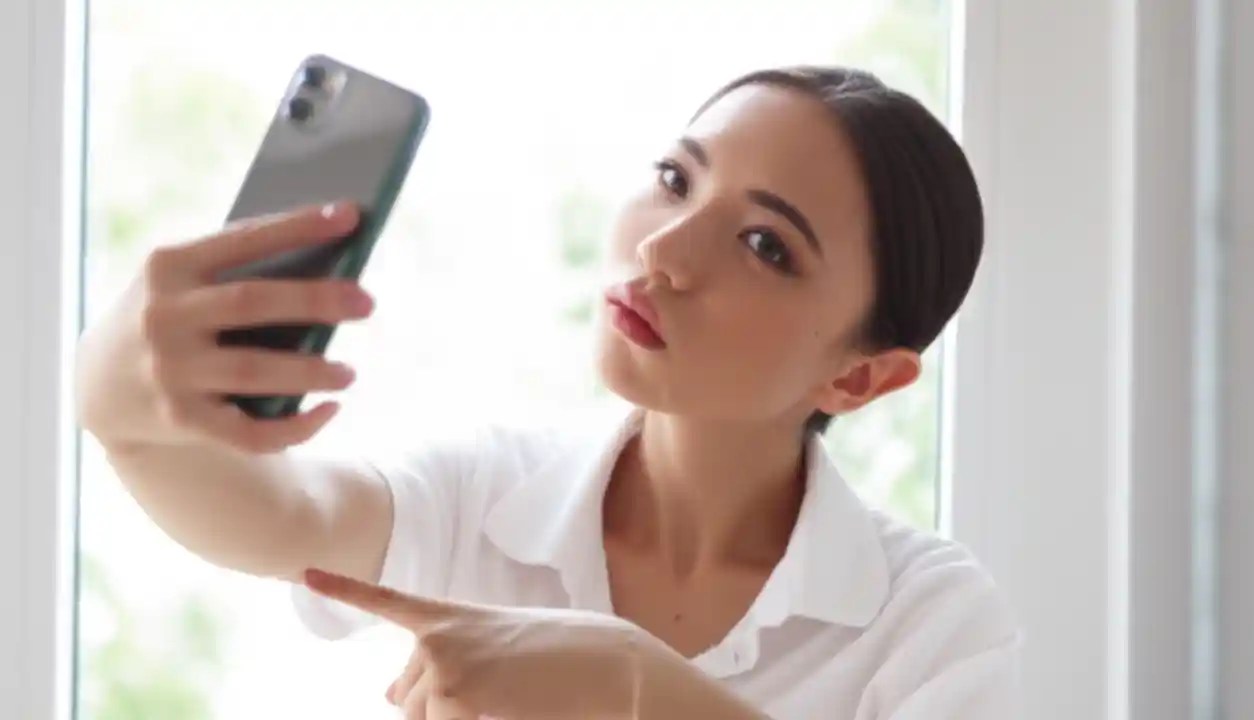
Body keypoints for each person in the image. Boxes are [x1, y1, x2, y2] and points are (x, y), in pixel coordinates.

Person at [77, 66, 1020, 719]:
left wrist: (633, 682)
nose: (661, 249)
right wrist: (120, 414)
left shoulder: (927, 620)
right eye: (674, 179)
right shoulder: (482, 496)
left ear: (860, 376)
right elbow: (278, 517)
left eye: (765, 245)